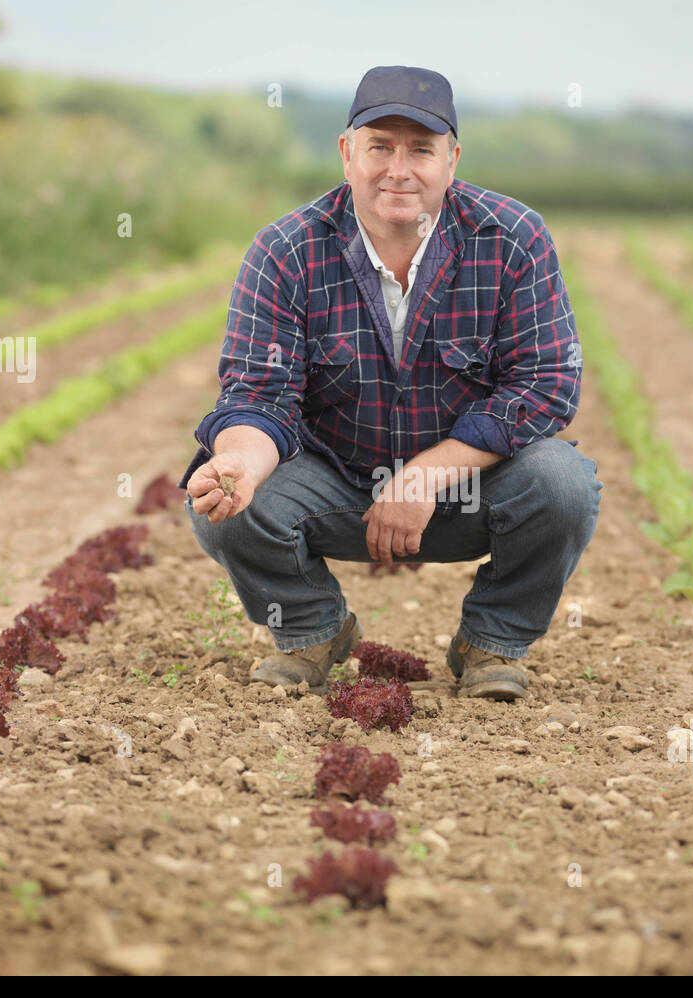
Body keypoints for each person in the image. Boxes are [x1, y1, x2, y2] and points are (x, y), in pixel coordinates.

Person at [180, 65, 601, 701]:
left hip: (466, 493)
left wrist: (427, 475)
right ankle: (312, 630)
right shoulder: (285, 252)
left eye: (420, 149)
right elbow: (261, 396)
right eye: (379, 146)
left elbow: (545, 384)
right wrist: (238, 458)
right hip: (339, 487)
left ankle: (492, 644)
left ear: (451, 160)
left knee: (564, 485)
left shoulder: (512, 239)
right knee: (227, 503)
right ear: (347, 153)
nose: (397, 169)